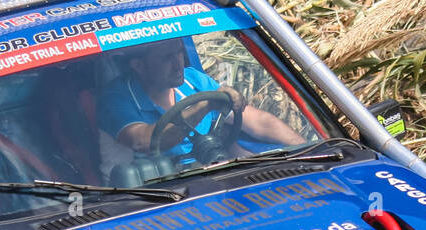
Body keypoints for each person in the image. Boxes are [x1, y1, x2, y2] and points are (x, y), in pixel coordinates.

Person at [97, 38, 306, 161]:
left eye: (179, 53)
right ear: (139, 66)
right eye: (166, 58)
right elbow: (145, 141)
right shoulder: (115, 100)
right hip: (146, 192)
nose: (178, 64)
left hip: (206, 173)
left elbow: (259, 122)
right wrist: (204, 106)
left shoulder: (193, 80)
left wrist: (306, 150)